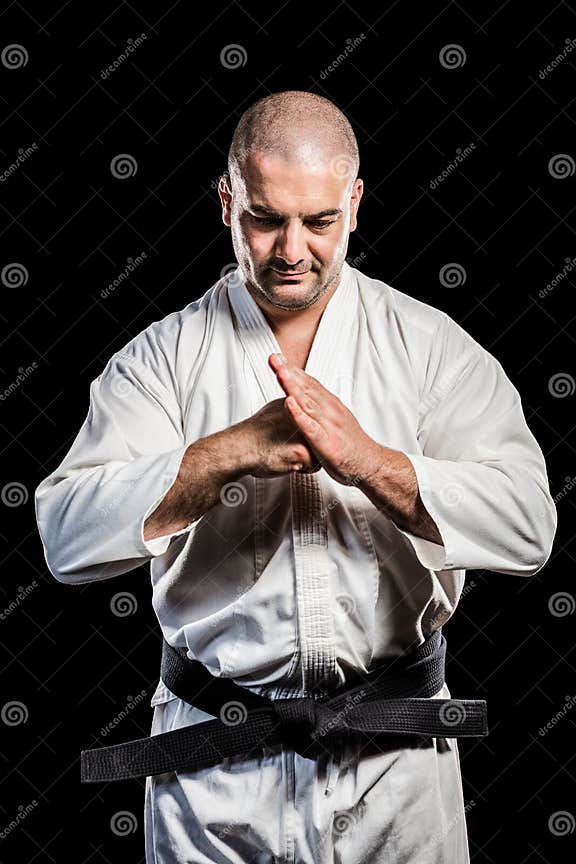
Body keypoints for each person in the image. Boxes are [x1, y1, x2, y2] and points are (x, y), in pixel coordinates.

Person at [34, 90, 557, 863]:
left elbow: (528, 527)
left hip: (394, 774)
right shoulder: (159, 361)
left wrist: (370, 464)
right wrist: (229, 452)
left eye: (318, 221)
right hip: (216, 774)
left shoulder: (430, 346)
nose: (290, 249)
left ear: (354, 202)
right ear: (225, 201)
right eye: (264, 218)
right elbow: (66, 537)